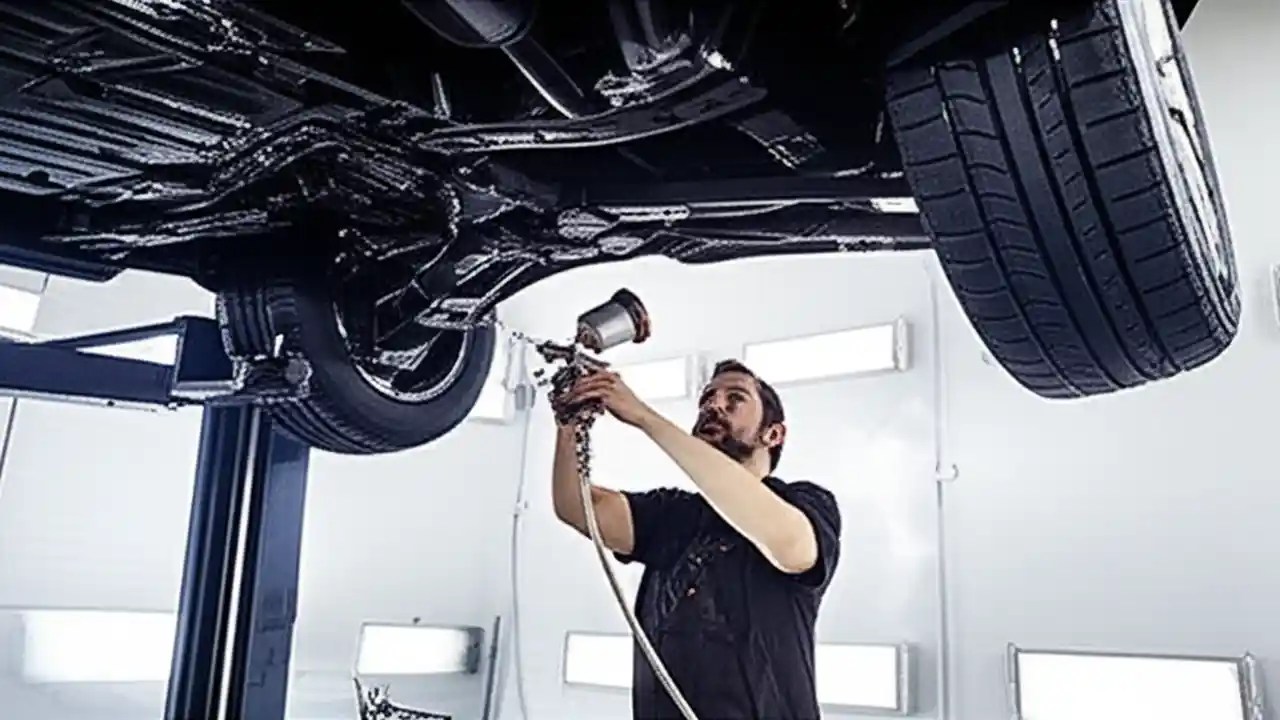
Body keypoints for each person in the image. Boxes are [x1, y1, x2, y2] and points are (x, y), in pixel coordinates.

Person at [551, 358, 842, 720]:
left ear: (773, 434)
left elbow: (791, 546)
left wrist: (644, 416)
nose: (713, 406)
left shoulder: (806, 502)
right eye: (706, 399)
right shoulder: (674, 515)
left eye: (735, 398)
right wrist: (570, 424)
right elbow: (576, 506)